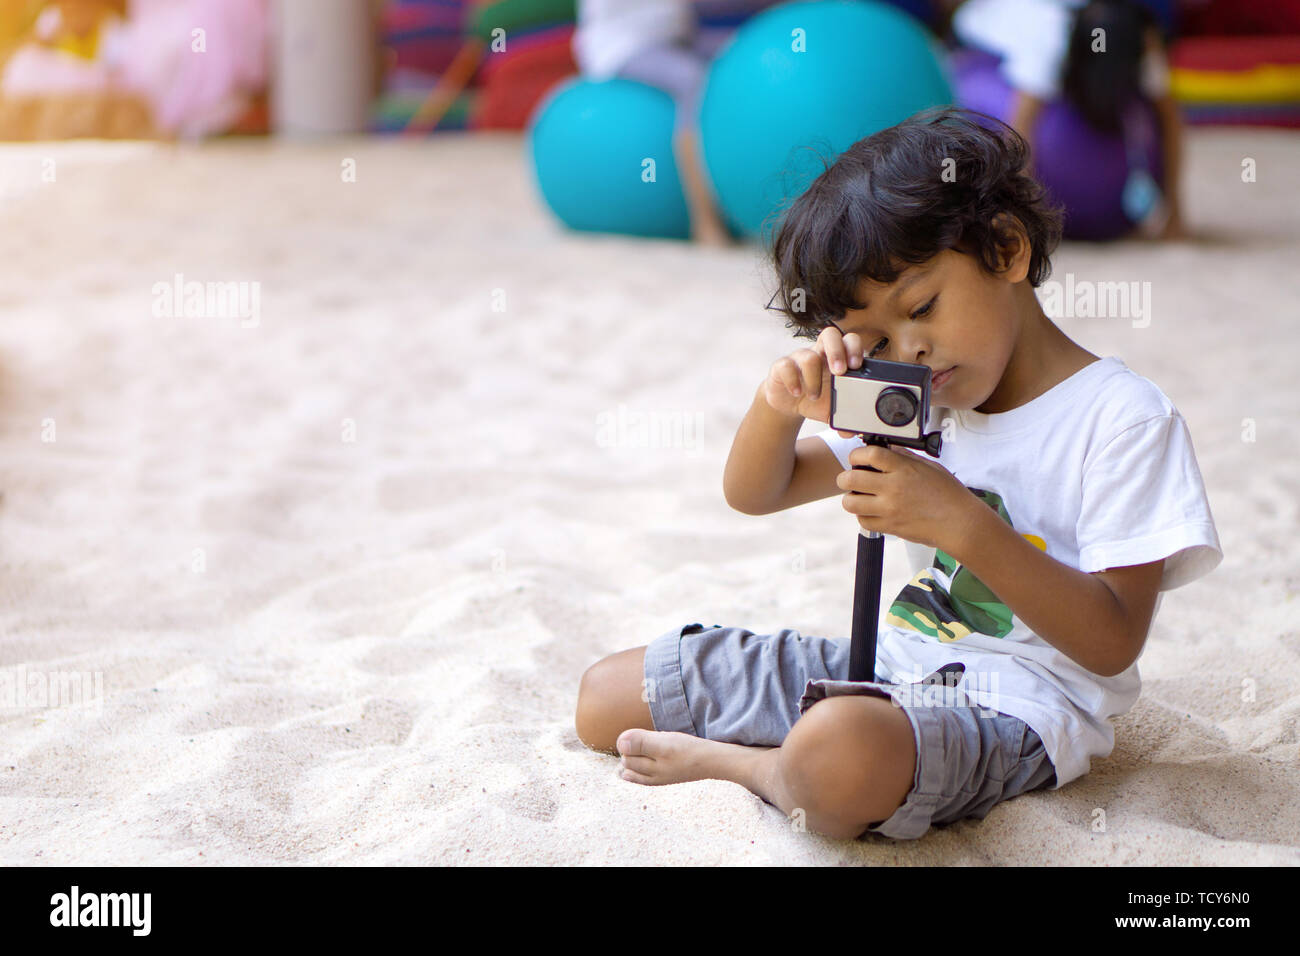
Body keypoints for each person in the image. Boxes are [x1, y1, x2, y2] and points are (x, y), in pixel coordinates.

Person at [573, 107, 1222, 840]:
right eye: (875, 336)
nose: (908, 350)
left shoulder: (1122, 420)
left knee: (839, 755)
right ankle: (792, 757)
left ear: (1006, 249)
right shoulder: (921, 403)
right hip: (886, 664)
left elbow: (1111, 644)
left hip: (1015, 709)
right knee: (607, 697)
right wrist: (779, 403)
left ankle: (749, 767)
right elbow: (757, 492)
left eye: (922, 308)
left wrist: (961, 523)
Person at [949, 0, 1188, 239]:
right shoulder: (1049, 38)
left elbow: (1170, 120)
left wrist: (1174, 213)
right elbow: (1018, 132)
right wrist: (1022, 221)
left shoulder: (1139, 36)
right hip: (979, 41)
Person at [573, 1, 773, 246]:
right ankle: (705, 221)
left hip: (677, 37)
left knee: (742, 53)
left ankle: (752, 203)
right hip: (623, 44)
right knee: (692, 80)